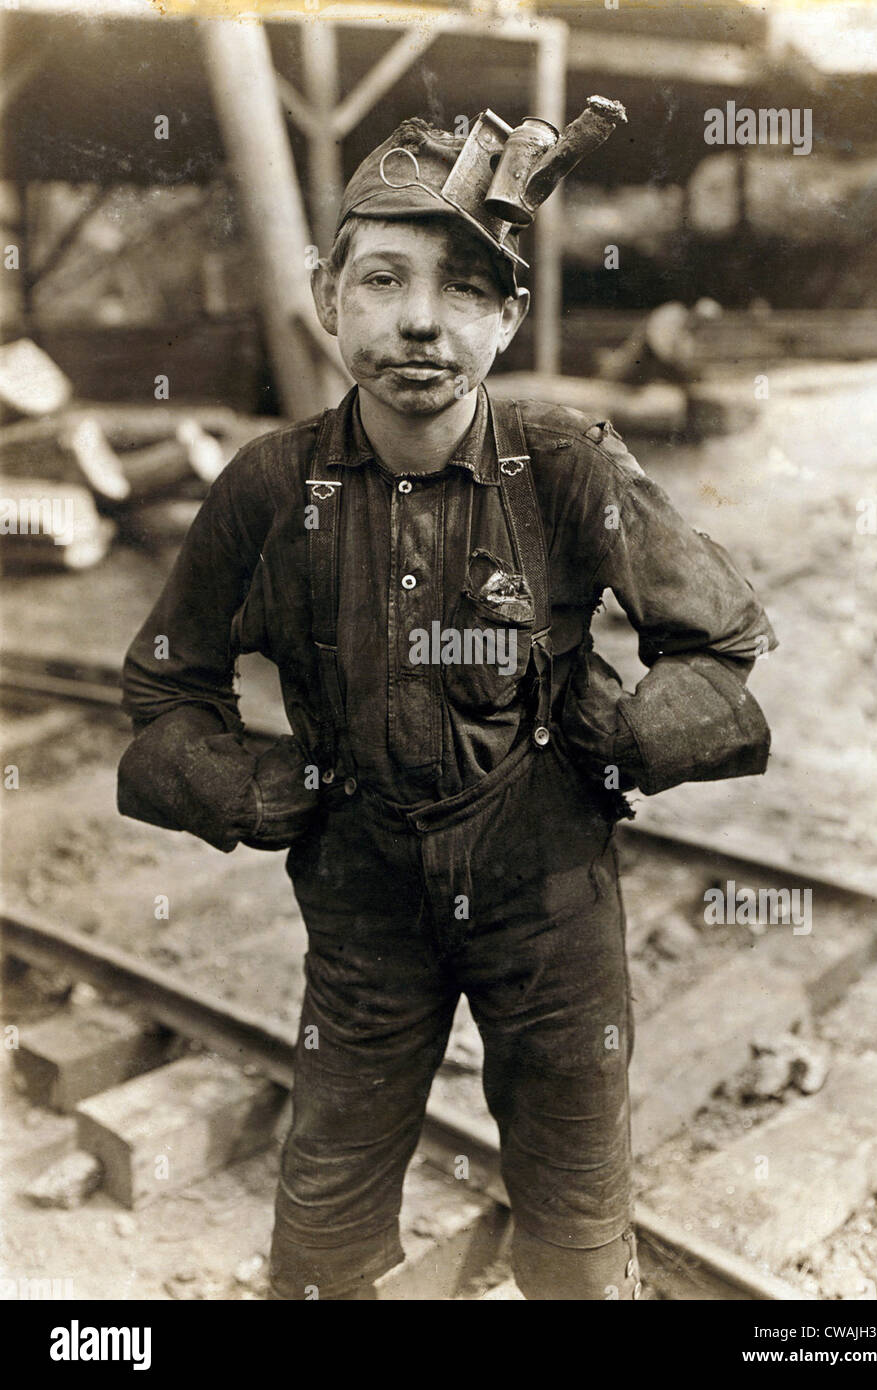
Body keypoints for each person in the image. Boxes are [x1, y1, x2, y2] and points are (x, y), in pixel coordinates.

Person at [117, 110, 777, 1301]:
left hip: (551, 904)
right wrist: (258, 785)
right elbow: (164, 693)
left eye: (466, 289)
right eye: (384, 278)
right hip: (364, 915)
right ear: (328, 297)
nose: (422, 319)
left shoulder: (568, 462)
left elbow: (721, 645)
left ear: (509, 317)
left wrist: (630, 737)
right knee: (322, 1238)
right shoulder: (269, 490)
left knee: (576, 1231)